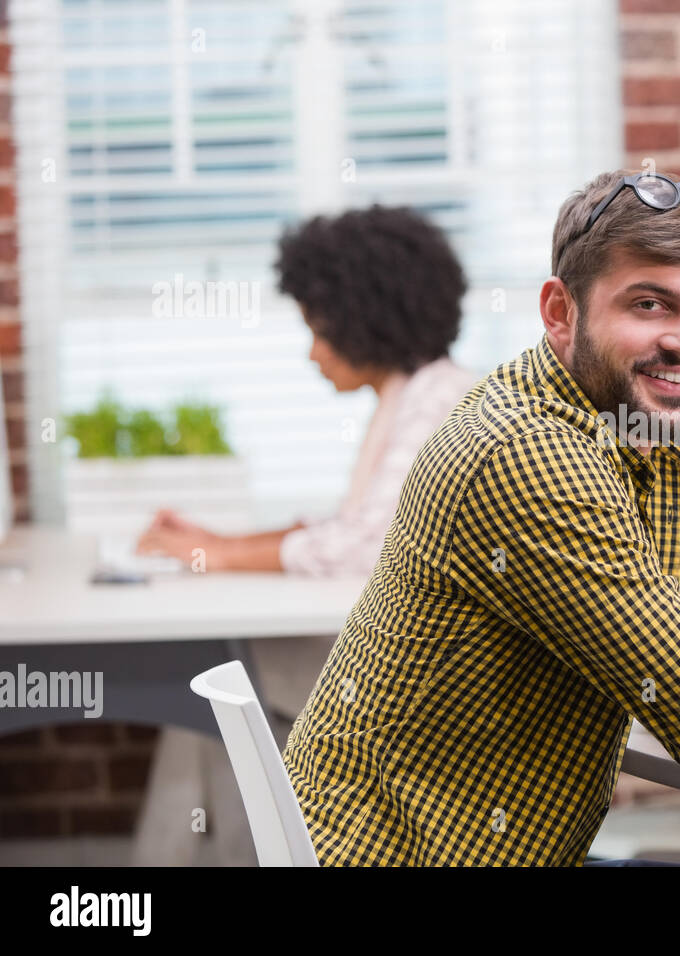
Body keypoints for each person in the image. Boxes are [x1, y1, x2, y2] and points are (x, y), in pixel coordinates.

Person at [281, 169, 680, 866]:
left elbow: (669, 646)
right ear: (560, 312)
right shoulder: (534, 458)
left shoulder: (604, 422)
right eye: (650, 305)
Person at [132, 206, 479, 865]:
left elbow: (357, 549)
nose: (312, 351)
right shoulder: (413, 395)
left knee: (209, 686)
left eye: (317, 330)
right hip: (389, 663)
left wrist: (221, 555)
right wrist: (219, 540)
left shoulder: (440, 401)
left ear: (362, 316)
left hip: (417, 689)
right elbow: (352, 527)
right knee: (213, 690)